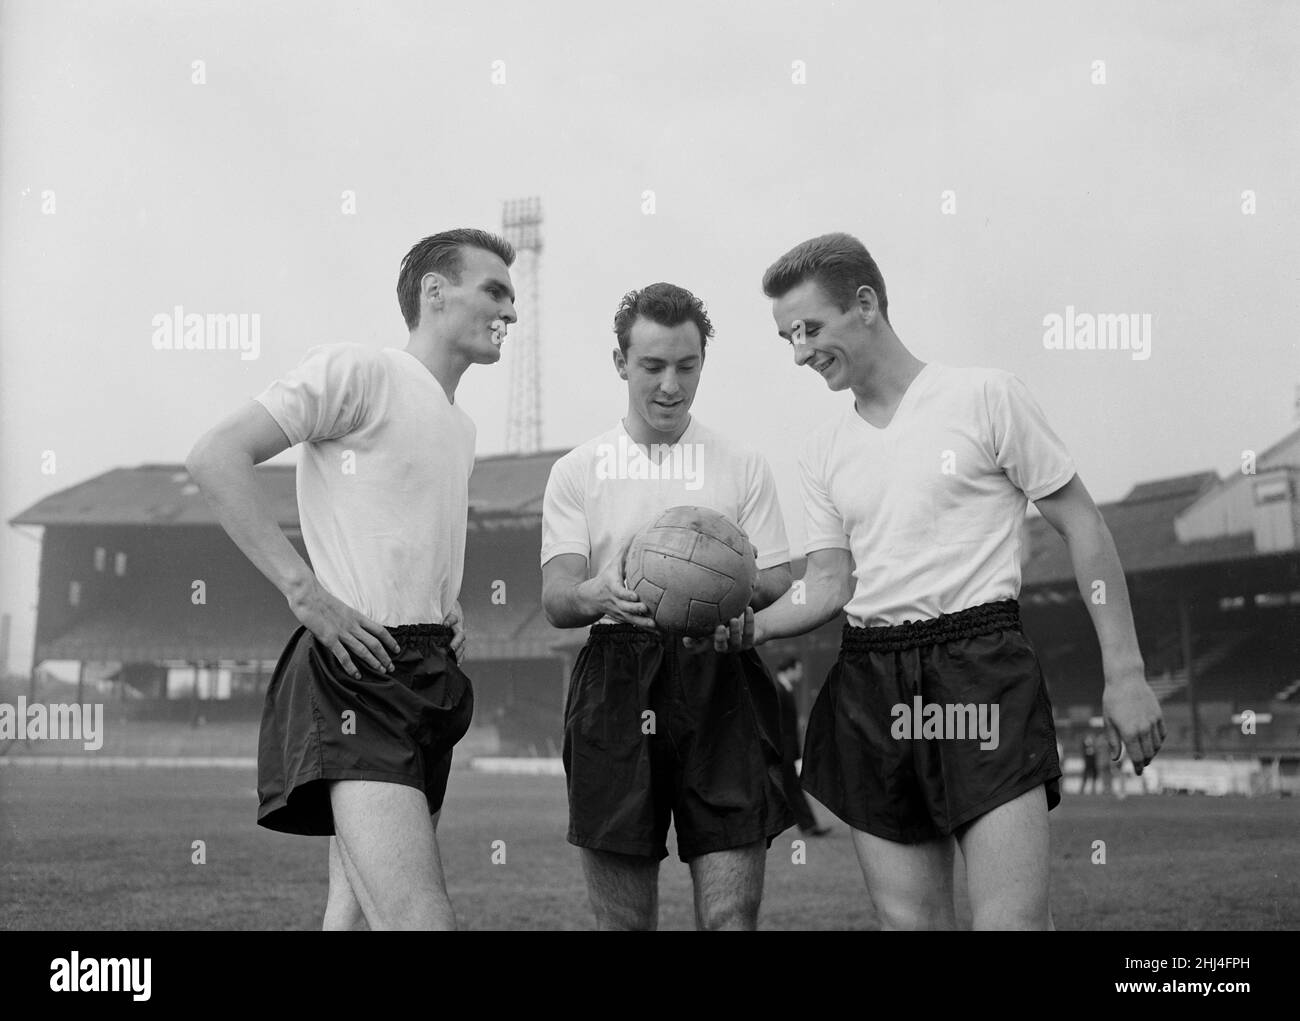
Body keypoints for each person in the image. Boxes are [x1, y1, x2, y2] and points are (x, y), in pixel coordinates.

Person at [697, 232, 1166, 930]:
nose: (799, 351)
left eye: (809, 328)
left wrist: (1125, 670)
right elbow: (828, 584)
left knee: (1010, 924)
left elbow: (1085, 527)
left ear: (866, 303)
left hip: (980, 672)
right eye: (786, 337)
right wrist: (751, 624)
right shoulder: (823, 449)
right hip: (870, 681)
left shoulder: (986, 396)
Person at [187, 228, 517, 929]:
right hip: (359, 669)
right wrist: (306, 593)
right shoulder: (359, 370)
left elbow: (394, 526)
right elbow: (217, 456)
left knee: (353, 910)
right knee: (420, 915)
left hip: (430, 668)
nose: (509, 311)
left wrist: (443, 601)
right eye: (494, 290)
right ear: (435, 292)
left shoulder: (462, 428)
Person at [541, 282, 795, 930]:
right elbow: (557, 596)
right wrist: (597, 591)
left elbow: (777, 575)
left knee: (731, 917)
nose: (670, 384)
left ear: (703, 362)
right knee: (625, 926)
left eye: (686, 366)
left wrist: (740, 599)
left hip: (722, 673)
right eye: (652, 365)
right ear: (621, 362)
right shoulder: (578, 470)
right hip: (617, 679)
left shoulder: (743, 463)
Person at [773, 656, 830, 836]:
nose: (801, 673)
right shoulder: (778, 690)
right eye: (798, 669)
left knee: (789, 788)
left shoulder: (784, 689)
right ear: (789, 669)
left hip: (785, 751)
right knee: (790, 789)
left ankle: (808, 825)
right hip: (783, 752)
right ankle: (809, 825)